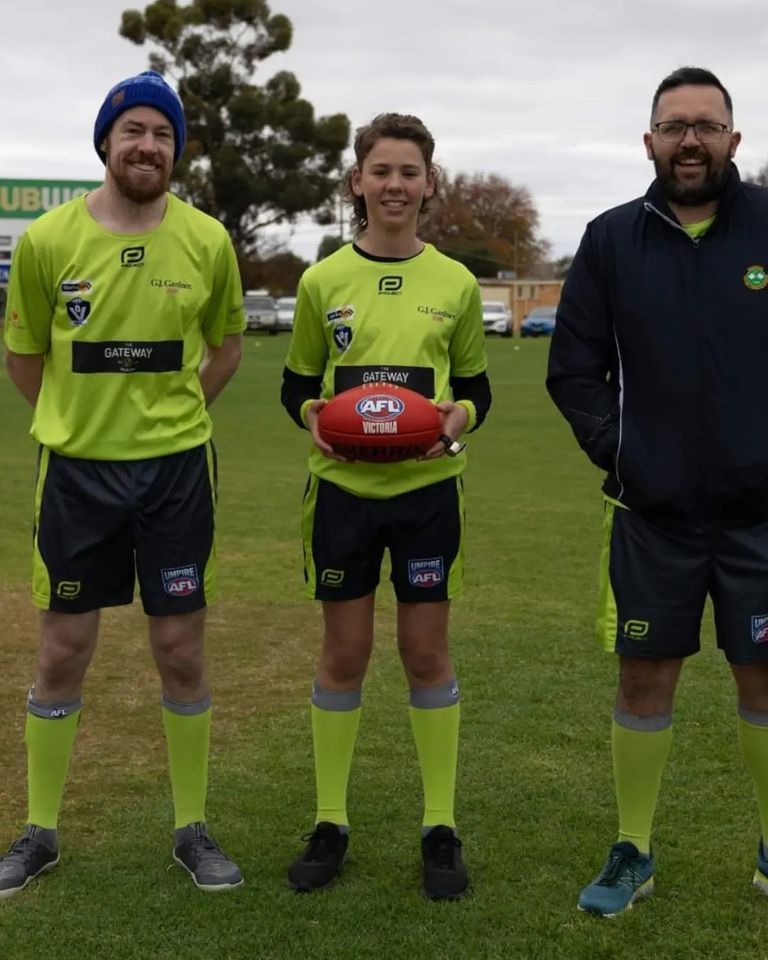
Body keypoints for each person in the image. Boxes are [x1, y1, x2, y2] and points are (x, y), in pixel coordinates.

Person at [0, 70, 245, 897]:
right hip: (76, 477)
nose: (148, 145)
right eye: (134, 130)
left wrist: (172, 415)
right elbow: (24, 356)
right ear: (105, 141)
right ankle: (38, 832)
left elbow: (227, 346)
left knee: (180, 650)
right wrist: (82, 422)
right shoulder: (46, 241)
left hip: (176, 475)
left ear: (177, 150)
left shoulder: (208, 241)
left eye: (164, 134)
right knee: (63, 650)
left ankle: (192, 827)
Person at [547, 65, 768, 916]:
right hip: (654, 518)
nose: (690, 140)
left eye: (706, 125)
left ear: (733, 141)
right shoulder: (609, 240)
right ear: (649, 141)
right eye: (675, 126)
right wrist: (626, 455)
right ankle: (633, 848)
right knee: (644, 679)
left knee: (763, 676)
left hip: (759, 517)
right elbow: (574, 372)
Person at [280, 113, 491, 899]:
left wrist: (457, 423)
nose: (395, 185)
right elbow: (299, 384)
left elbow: (474, 388)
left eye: (410, 172)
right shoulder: (322, 281)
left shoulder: (457, 282)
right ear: (357, 182)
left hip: (428, 497)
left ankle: (441, 826)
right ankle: (331, 821)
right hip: (342, 497)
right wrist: (316, 423)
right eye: (381, 171)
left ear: (429, 183)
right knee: (345, 654)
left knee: (427, 656)